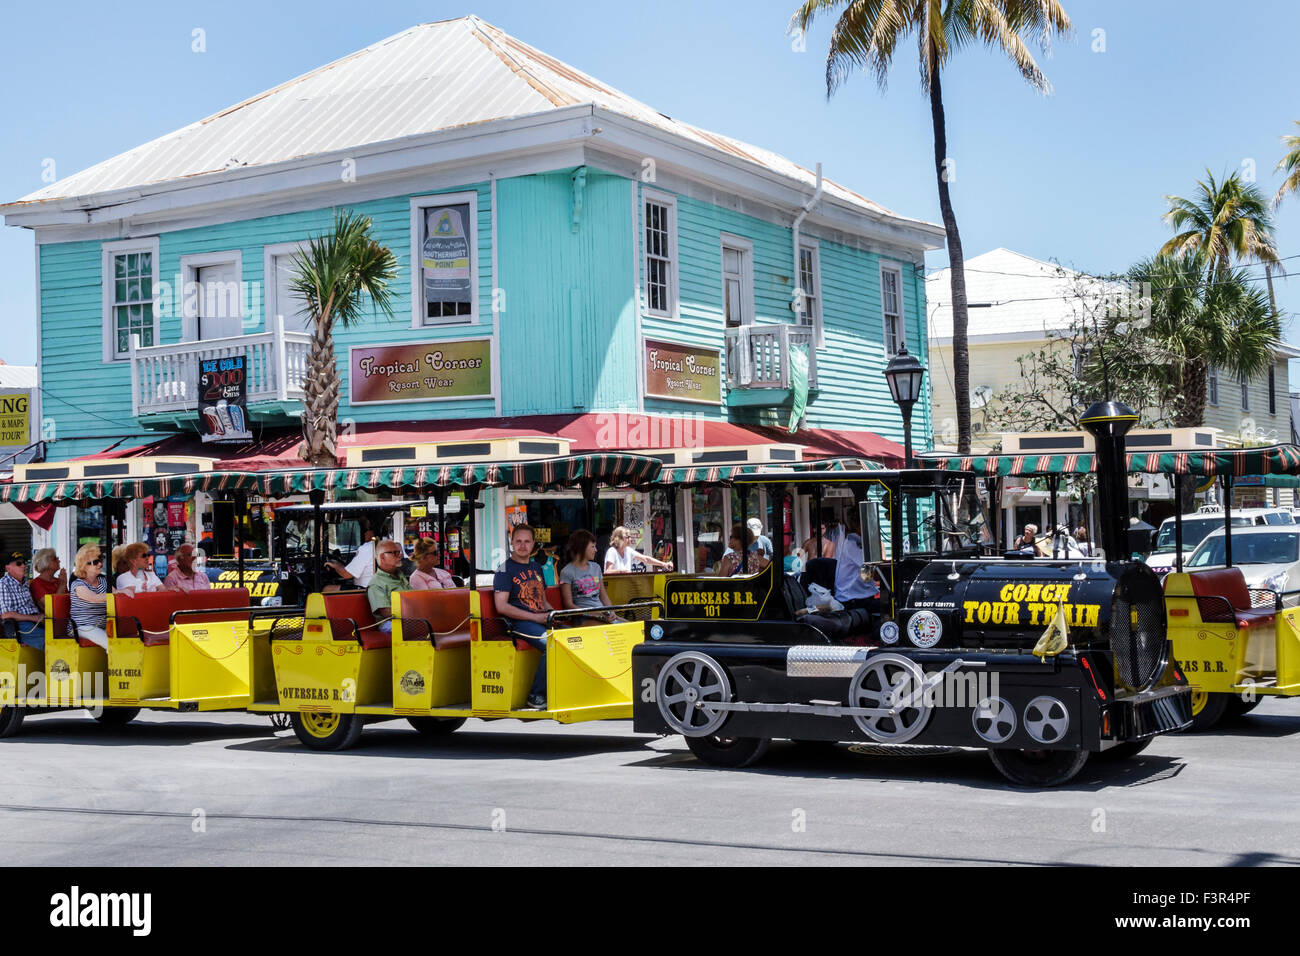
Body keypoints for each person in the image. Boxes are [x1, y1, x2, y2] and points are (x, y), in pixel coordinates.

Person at [493, 525, 554, 710]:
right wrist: (536, 618)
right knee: (551, 645)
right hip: (518, 624)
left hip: (539, 619)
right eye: (518, 541)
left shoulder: (537, 567)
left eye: (527, 541)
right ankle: (536, 695)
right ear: (511, 543)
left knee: (575, 639)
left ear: (533, 544)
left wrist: (556, 615)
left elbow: (543, 601)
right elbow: (501, 606)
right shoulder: (504, 569)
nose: (522, 545)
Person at [559, 530, 620, 624]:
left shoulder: (596, 567)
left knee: (633, 628)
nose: (596, 550)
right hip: (583, 617)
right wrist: (593, 614)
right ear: (582, 548)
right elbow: (568, 604)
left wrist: (611, 611)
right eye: (592, 547)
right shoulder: (567, 572)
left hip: (603, 614)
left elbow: (603, 595)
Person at [833, 517, 883, 612]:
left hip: (862, 595)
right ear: (857, 526)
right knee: (888, 607)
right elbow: (875, 574)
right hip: (852, 600)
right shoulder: (853, 545)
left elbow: (868, 573)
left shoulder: (861, 543)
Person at [0, 551, 45, 649]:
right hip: (18, 625)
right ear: (8, 568)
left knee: (62, 634)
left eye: (24, 562)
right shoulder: (3, 584)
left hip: (35, 621)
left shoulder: (25, 583)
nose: (24, 566)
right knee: (49, 641)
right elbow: (6, 614)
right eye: (19, 564)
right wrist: (35, 618)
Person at [69, 544, 110, 649]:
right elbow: (94, 598)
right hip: (82, 627)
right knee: (111, 643)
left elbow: (117, 592)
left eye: (99, 560)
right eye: (95, 562)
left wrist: (126, 591)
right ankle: (118, 665)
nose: (100, 564)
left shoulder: (103, 581)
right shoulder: (78, 584)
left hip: (103, 625)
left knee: (124, 639)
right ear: (84, 566)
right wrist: (117, 594)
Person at [366, 540, 409, 635]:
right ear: (382, 557)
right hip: (391, 623)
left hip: (410, 618)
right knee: (423, 626)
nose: (400, 555)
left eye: (399, 552)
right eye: (395, 553)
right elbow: (386, 612)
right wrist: (415, 610)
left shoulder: (399, 574)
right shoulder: (376, 584)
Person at [604, 526, 673, 575]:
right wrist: (622, 572)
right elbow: (607, 572)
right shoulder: (612, 551)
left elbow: (645, 559)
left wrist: (664, 564)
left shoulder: (628, 550)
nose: (630, 539)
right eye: (627, 537)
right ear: (619, 539)